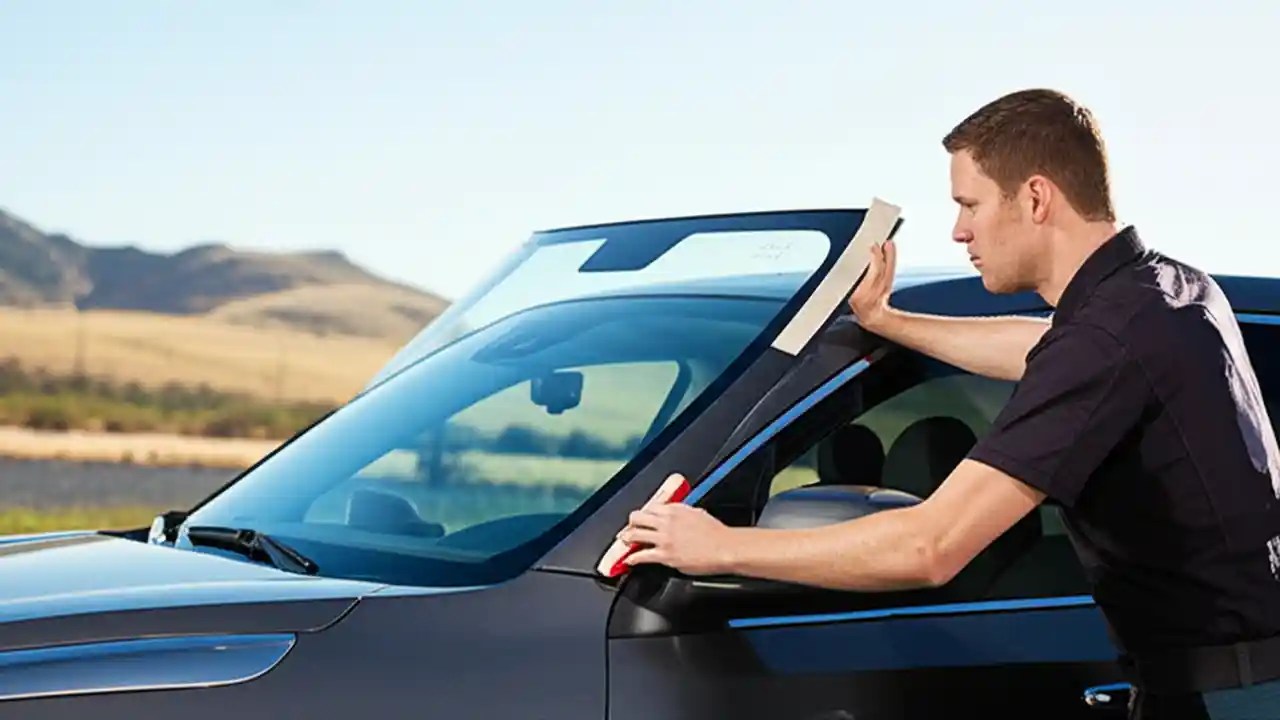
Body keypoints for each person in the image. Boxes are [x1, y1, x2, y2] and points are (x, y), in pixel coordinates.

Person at [616, 88, 1280, 718]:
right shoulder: (1171, 291)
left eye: (969, 204)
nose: (959, 231)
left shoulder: (1104, 341)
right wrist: (890, 321)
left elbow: (929, 546)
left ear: (1036, 198)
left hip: (1226, 698)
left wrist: (721, 548)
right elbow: (1042, 347)